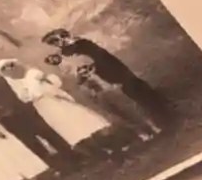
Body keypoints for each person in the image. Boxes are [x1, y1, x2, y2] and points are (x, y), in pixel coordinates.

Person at [0, 58, 77, 172]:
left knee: (33, 142)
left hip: (8, 117)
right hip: (21, 110)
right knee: (46, 133)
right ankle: (70, 156)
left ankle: (58, 165)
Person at [43, 29, 173, 128]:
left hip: (111, 68)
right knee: (131, 93)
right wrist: (83, 74)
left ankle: (163, 109)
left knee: (134, 87)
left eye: (56, 41)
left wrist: (90, 68)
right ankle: (160, 115)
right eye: (54, 43)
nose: (57, 44)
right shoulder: (67, 51)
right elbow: (78, 65)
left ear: (65, 37)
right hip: (103, 73)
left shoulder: (81, 43)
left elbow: (96, 57)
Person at [0, 59, 114, 156]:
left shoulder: (32, 74)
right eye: (5, 69)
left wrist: (45, 83)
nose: (10, 69)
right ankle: (97, 152)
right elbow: (25, 98)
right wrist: (30, 91)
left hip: (56, 99)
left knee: (80, 121)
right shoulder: (15, 84)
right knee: (68, 127)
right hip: (43, 106)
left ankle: (108, 143)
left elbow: (54, 82)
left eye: (11, 65)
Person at [73, 61, 159, 140]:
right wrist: (97, 97)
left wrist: (114, 87)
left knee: (131, 110)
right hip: (104, 97)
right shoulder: (85, 84)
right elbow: (92, 95)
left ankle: (151, 128)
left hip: (112, 93)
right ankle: (143, 133)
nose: (87, 74)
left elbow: (108, 82)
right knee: (122, 116)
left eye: (86, 71)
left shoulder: (96, 75)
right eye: (83, 73)